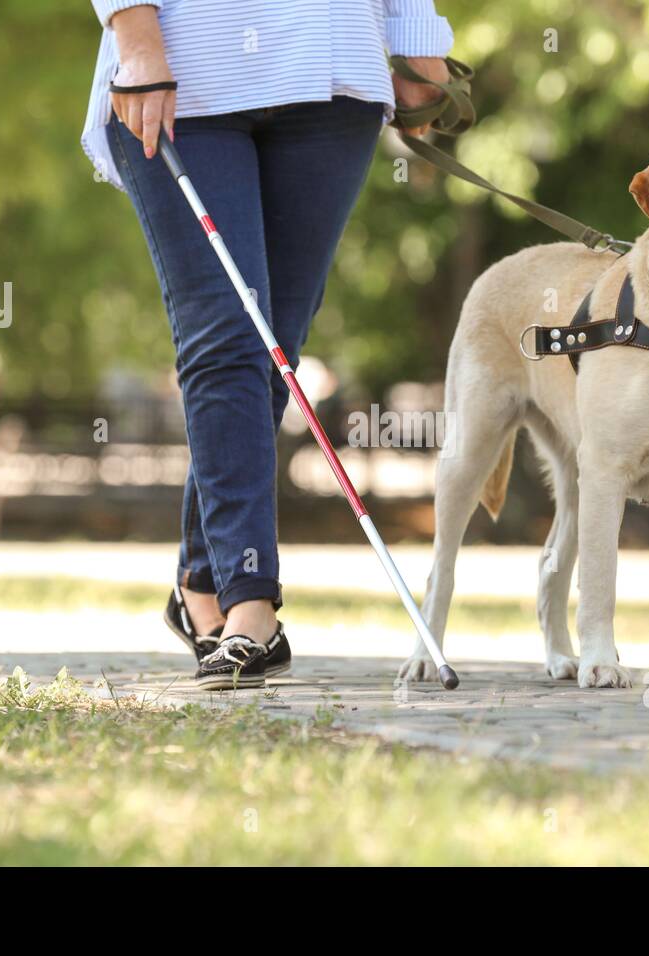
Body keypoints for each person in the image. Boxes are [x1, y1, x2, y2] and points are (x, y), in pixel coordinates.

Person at [82, 1, 453, 688]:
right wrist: (136, 40)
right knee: (228, 337)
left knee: (271, 351)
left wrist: (421, 48)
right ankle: (250, 609)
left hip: (333, 70)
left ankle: (202, 578)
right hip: (185, 67)